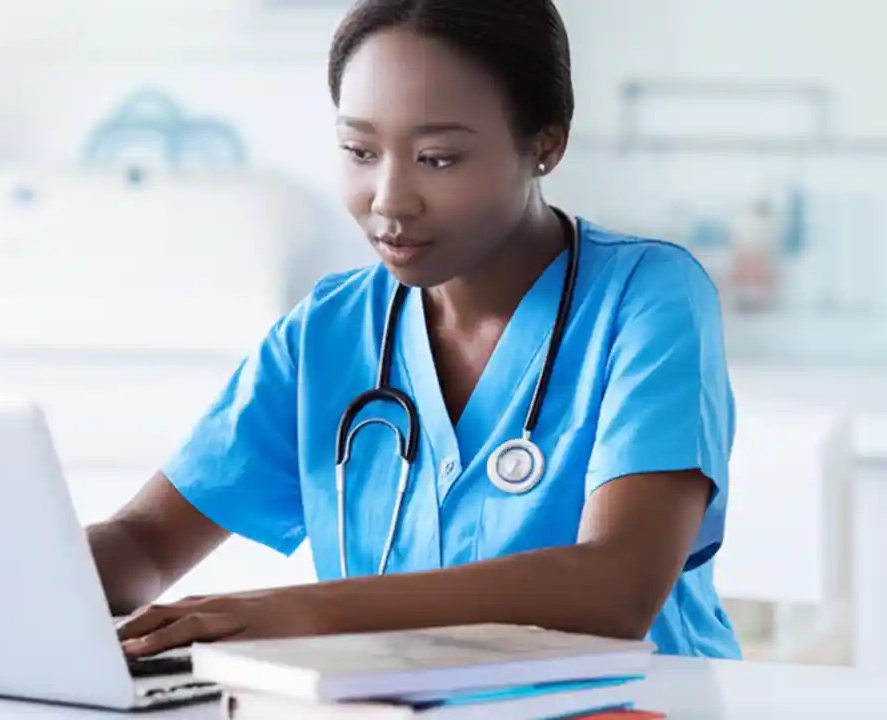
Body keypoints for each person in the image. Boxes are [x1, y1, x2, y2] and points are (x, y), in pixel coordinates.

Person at [90, 0, 741, 660]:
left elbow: (615, 588)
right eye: (360, 151)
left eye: (437, 158)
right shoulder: (327, 332)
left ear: (545, 144)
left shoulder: (647, 297)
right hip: (393, 701)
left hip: (642, 700)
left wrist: (295, 612)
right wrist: (31, 564)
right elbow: (143, 545)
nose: (389, 199)